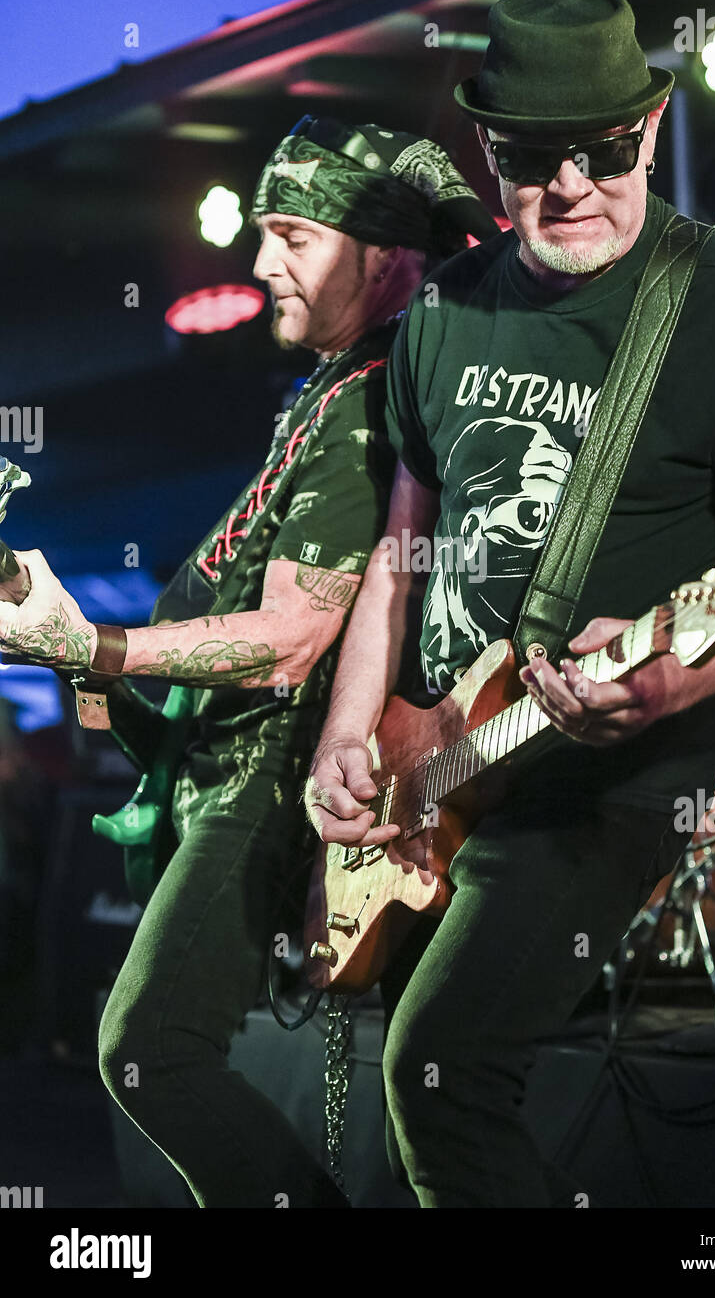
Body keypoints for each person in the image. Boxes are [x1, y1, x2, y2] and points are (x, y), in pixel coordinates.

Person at [303, 0, 715, 1208]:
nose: (571, 186)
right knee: (421, 1098)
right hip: (438, 756)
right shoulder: (443, 307)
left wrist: (668, 683)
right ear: (489, 151)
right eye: (534, 158)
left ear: (649, 129)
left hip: (606, 771)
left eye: (602, 151)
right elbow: (401, 552)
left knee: (439, 1070)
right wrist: (353, 730)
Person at [0, 113, 498, 1207]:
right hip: (246, 770)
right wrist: (67, 646)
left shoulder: (373, 394)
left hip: (283, 774)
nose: (260, 261)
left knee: (148, 1048)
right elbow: (190, 644)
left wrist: (96, 642)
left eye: (293, 235)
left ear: (386, 258)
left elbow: (288, 639)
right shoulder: (317, 396)